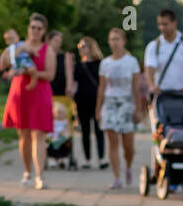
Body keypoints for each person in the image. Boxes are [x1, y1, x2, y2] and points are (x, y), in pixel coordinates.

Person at [2, 12, 56, 189]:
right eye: (32, 27)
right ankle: (27, 171)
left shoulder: (47, 50)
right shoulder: (19, 46)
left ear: (44, 31)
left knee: (38, 134)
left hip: (39, 93)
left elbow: (49, 74)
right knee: (23, 134)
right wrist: (19, 51)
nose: (35, 31)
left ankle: (40, 175)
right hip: (20, 94)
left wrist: (28, 72)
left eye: (39, 28)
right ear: (28, 28)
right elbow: (3, 64)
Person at [97, 27, 142, 189]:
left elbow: (136, 88)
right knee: (112, 143)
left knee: (128, 146)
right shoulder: (105, 63)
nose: (114, 43)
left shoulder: (132, 62)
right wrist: (98, 109)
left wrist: (139, 109)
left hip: (126, 103)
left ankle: (128, 166)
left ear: (123, 41)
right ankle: (116, 177)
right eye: (111, 39)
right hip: (109, 103)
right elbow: (101, 87)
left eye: (117, 39)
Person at [143, 8, 183, 135]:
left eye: (165, 24)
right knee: (161, 131)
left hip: (182, 97)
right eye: (160, 24)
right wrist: (152, 86)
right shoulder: (154, 46)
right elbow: (149, 69)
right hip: (162, 97)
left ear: (174, 23)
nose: (162, 27)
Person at [72, 36, 106, 169]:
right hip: (82, 101)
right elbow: (74, 83)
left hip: (97, 101)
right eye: (79, 47)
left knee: (99, 131)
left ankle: (102, 158)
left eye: (83, 46)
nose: (81, 49)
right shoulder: (79, 65)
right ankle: (87, 159)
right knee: (85, 131)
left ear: (91, 47)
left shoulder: (100, 64)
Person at [47, 31, 76, 99]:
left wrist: (69, 88)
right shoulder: (43, 56)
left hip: (60, 94)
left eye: (60, 41)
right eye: (56, 40)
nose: (58, 44)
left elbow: (69, 75)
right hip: (46, 92)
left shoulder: (65, 56)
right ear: (49, 41)